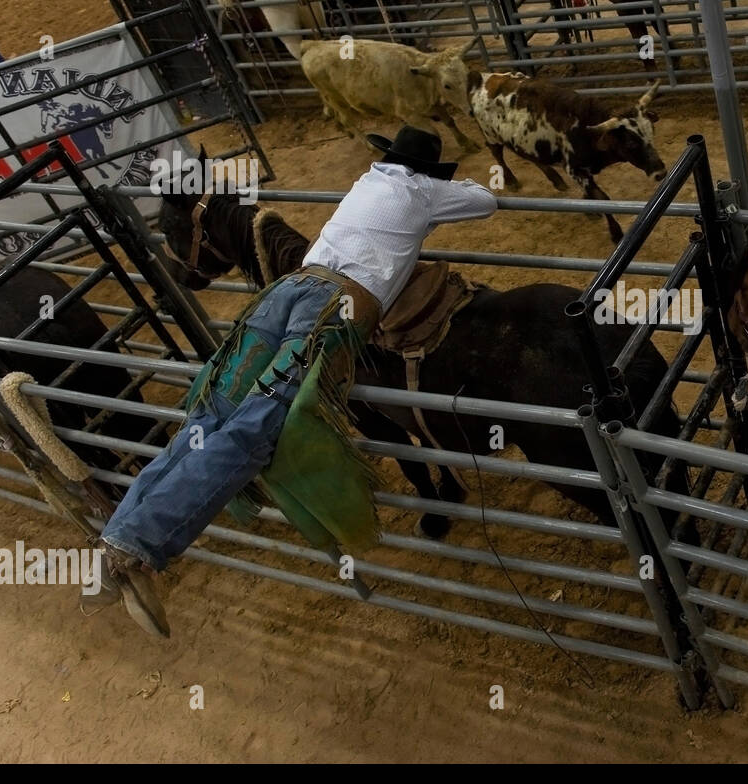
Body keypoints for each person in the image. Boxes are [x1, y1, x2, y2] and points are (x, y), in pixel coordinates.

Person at [85, 128, 497, 637]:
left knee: (208, 416)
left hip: (288, 289)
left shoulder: (370, 177)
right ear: (425, 170)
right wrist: (446, 187)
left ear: (388, 156)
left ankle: (115, 540)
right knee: (254, 429)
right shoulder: (424, 189)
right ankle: (140, 548)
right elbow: (486, 202)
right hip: (335, 308)